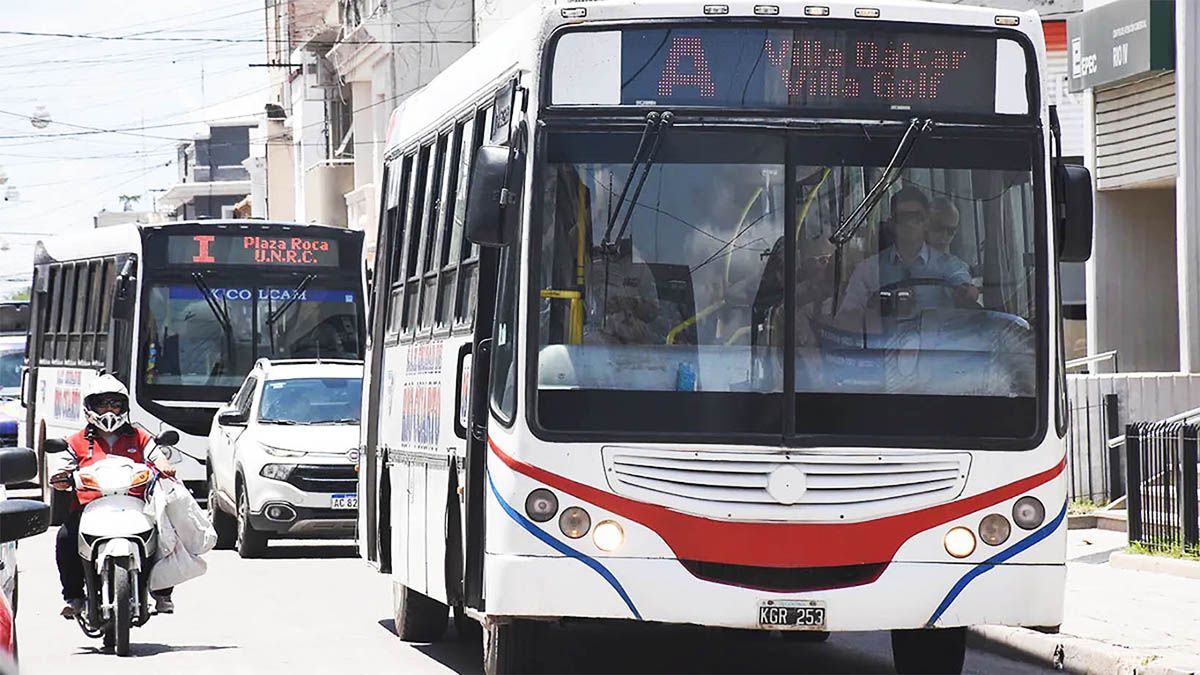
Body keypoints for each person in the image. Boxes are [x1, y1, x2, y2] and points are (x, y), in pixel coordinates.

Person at [53, 374, 176, 620]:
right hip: (89, 509)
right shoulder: (76, 441)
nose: (109, 410)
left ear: (124, 407)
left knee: (166, 531)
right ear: (90, 407)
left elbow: (156, 456)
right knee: (65, 537)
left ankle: (162, 593)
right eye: (102, 404)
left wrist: (164, 466)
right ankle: (74, 597)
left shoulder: (139, 437)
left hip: (136, 508)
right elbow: (62, 469)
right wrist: (61, 478)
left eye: (115, 404)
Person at [838, 186, 979, 316]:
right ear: (891, 223)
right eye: (903, 218)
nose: (910, 224)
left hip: (938, 342)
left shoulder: (949, 266)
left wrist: (965, 292)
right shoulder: (868, 271)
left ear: (926, 223)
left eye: (917, 217)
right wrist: (876, 309)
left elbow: (963, 285)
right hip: (881, 342)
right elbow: (847, 318)